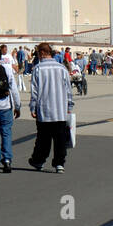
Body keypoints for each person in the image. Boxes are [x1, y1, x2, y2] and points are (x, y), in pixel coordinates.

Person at [27, 43, 73, 173]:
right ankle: (59, 163)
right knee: (60, 139)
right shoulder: (62, 68)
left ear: (42, 53)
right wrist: (69, 105)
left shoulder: (38, 69)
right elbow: (68, 89)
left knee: (43, 139)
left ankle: (39, 161)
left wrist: (32, 107)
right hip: (60, 110)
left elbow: (34, 91)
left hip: (44, 109)